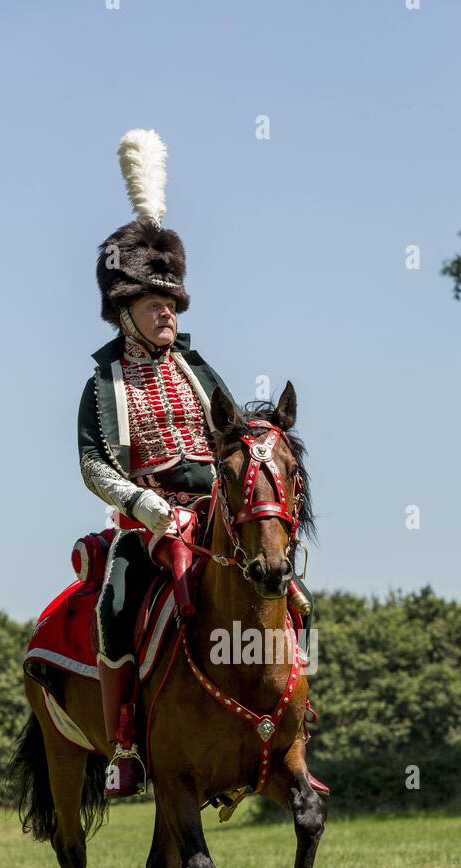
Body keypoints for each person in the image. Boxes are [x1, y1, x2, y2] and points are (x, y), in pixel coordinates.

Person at [78, 130, 312, 797]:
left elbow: (237, 437)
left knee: (288, 591)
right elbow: (95, 467)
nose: (169, 315)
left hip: (215, 511)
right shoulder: (104, 384)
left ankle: (290, 714)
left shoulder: (197, 368)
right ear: (125, 312)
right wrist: (148, 508)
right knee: (116, 605)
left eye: (173, 305)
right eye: (156, 305)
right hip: (148, 522)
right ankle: (125, 742)